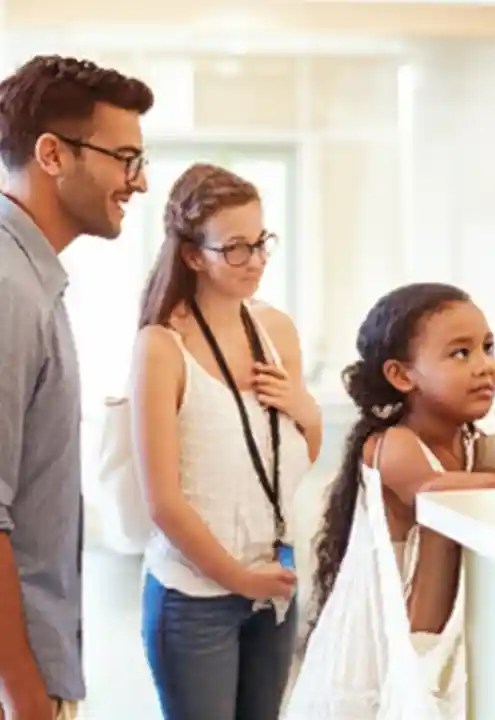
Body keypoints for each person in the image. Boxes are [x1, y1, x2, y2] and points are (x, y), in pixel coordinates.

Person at [293, 282, 495, 716]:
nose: (484, 366)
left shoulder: (475, 442)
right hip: (383, 643)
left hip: (432, 641)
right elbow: (434, 493)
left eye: (488, 347)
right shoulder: (391, 445)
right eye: (460, 354)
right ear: (401, 375)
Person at [132, 163, 322, 719]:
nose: (256, 260)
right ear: (194, 255)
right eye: (235, 248)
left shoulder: (275, 332)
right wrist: (238, 577)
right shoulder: (161, 347)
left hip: (273, 586)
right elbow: (163, 502)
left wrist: (303, 408)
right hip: (194, 597)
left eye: (261, 242)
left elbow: (293, 460)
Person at [0, 56, 152, 720]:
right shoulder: (8, 288)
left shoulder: (34, 281)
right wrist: (26, 699)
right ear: (53, 154)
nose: (137, 182)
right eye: (124, 158)